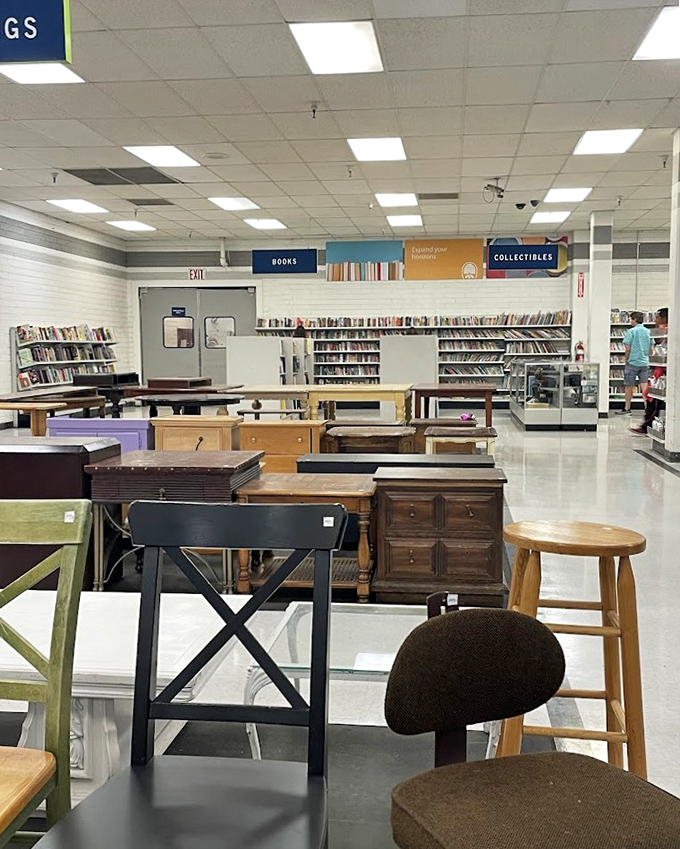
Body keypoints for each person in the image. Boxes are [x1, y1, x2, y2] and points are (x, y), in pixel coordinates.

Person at [631, 308, 668, 435]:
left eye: (657, 317)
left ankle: (649, 424)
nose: (655, 320)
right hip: (655, 369)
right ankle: (650, 424)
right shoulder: (651, 332)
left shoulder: (665, 332)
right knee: (650, 394)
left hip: (661, 372)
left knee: (654, 399)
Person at [615, 311, 652, 416]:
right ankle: (647, 408)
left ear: (635, 319)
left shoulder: (631, 332)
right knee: (644, 386)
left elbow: (627, 348)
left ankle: (627, 408)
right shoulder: (648, 331)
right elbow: (651, 348)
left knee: (629, 386)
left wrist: (626, 360)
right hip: (645, 362)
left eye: (631, 319)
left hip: (633, 362)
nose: (630, 321)